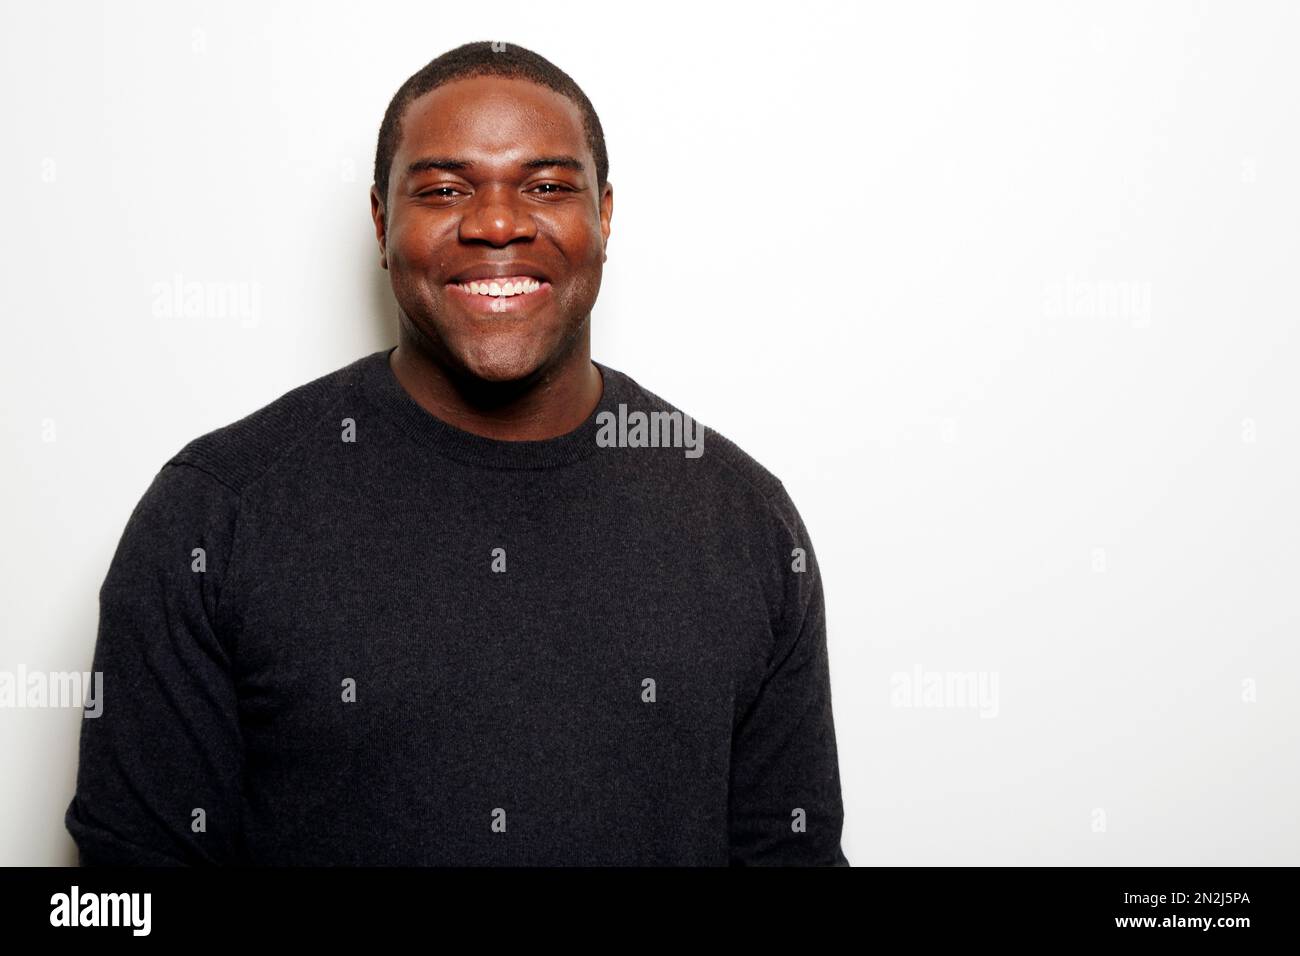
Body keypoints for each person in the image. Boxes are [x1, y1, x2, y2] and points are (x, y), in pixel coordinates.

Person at [65, 40, 849, 866]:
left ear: (605, 217)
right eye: (445, 190)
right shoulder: (217, 513)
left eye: (547, 187)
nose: (499, 223)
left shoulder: (743, 521)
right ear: (381, 222)